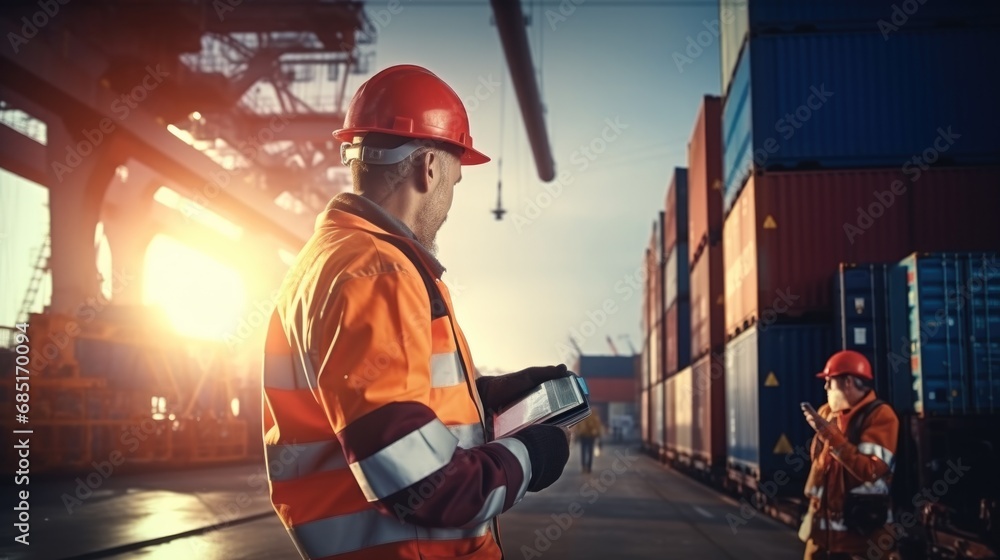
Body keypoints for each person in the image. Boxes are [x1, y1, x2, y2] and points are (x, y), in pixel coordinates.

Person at [261, 65, 571, 560]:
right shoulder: (378, 272)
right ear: (429, 167)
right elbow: (420, 485)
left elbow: (377, 412)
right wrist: (530, 457)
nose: (448, 201)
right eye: (455, 180)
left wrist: (483, 398)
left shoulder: (326, 260)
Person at [800, 350, 900, 560]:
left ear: (848, 383)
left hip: (863, 541)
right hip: (822, 538)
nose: (825, 387)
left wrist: (831, 436)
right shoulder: (827, 414)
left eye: (830, 381)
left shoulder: (881, 416)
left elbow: (870, 471)